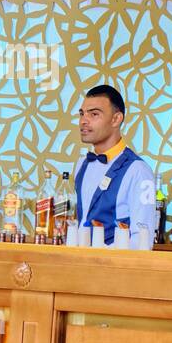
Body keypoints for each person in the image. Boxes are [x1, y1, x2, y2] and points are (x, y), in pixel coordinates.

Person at [72, 84, 156, 247]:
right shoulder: (81, 164)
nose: (84, 121)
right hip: (81, 264)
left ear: (116, 119)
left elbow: (142, 241)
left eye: (94, 114)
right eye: (82, 114)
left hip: (113, 267)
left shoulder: (138, 170)